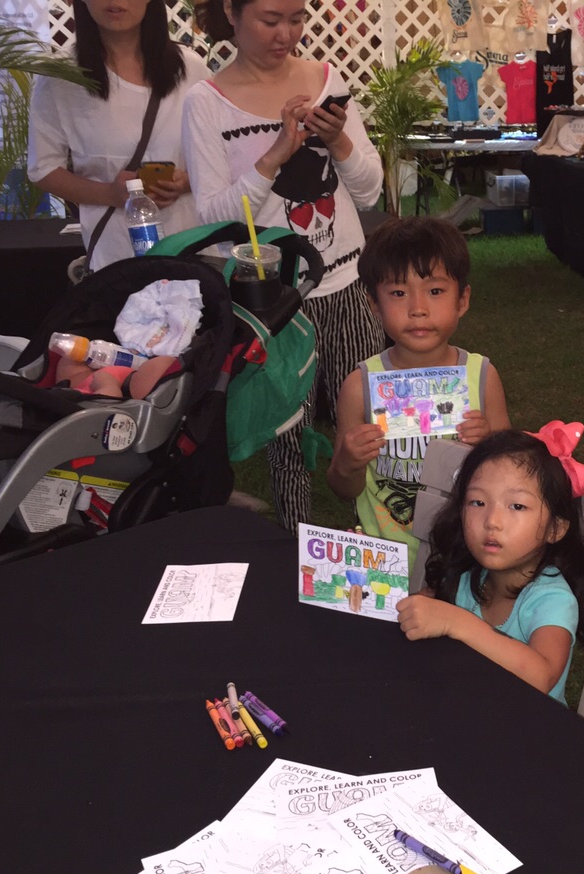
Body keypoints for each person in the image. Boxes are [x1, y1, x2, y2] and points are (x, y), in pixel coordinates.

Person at [184, 0, 385, 531]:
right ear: (231, 11)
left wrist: (338, 138)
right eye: (270, 20)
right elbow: (216, 218)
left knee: (367, 425)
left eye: (296, 19)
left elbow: (369, 191)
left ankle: (382, 533)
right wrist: (275, 155)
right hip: (272, 300)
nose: (286, 34)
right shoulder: (206, 103)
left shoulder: (325, 79)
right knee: (287, 435)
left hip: (344, 281)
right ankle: (296, 543)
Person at [328, 217, 510, 567]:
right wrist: (348, 463)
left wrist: (488, 443)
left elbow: (510, 471)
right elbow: (342, 487)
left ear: (462, 300)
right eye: (398, 293)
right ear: (374, 305)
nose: (418, 308)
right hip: (384, 557)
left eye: (435, 291)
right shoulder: (359, 387)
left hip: (463, 553)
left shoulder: (482, 377)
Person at [396, 428, 584, 703]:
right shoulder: (468, 575)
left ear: (556, 528)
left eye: (516, 506)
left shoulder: (552, 600)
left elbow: (542, 675)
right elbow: (420, 616)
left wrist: (455, 622)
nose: (492, 520)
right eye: (478, 502)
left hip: (532, 735)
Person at [28, 0, 210, 272]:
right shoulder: (62, 78)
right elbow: (42, 168)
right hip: (114, 259)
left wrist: (189, 181)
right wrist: (109, 194)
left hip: (193, 250)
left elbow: (222, 151)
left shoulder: (190, 68)